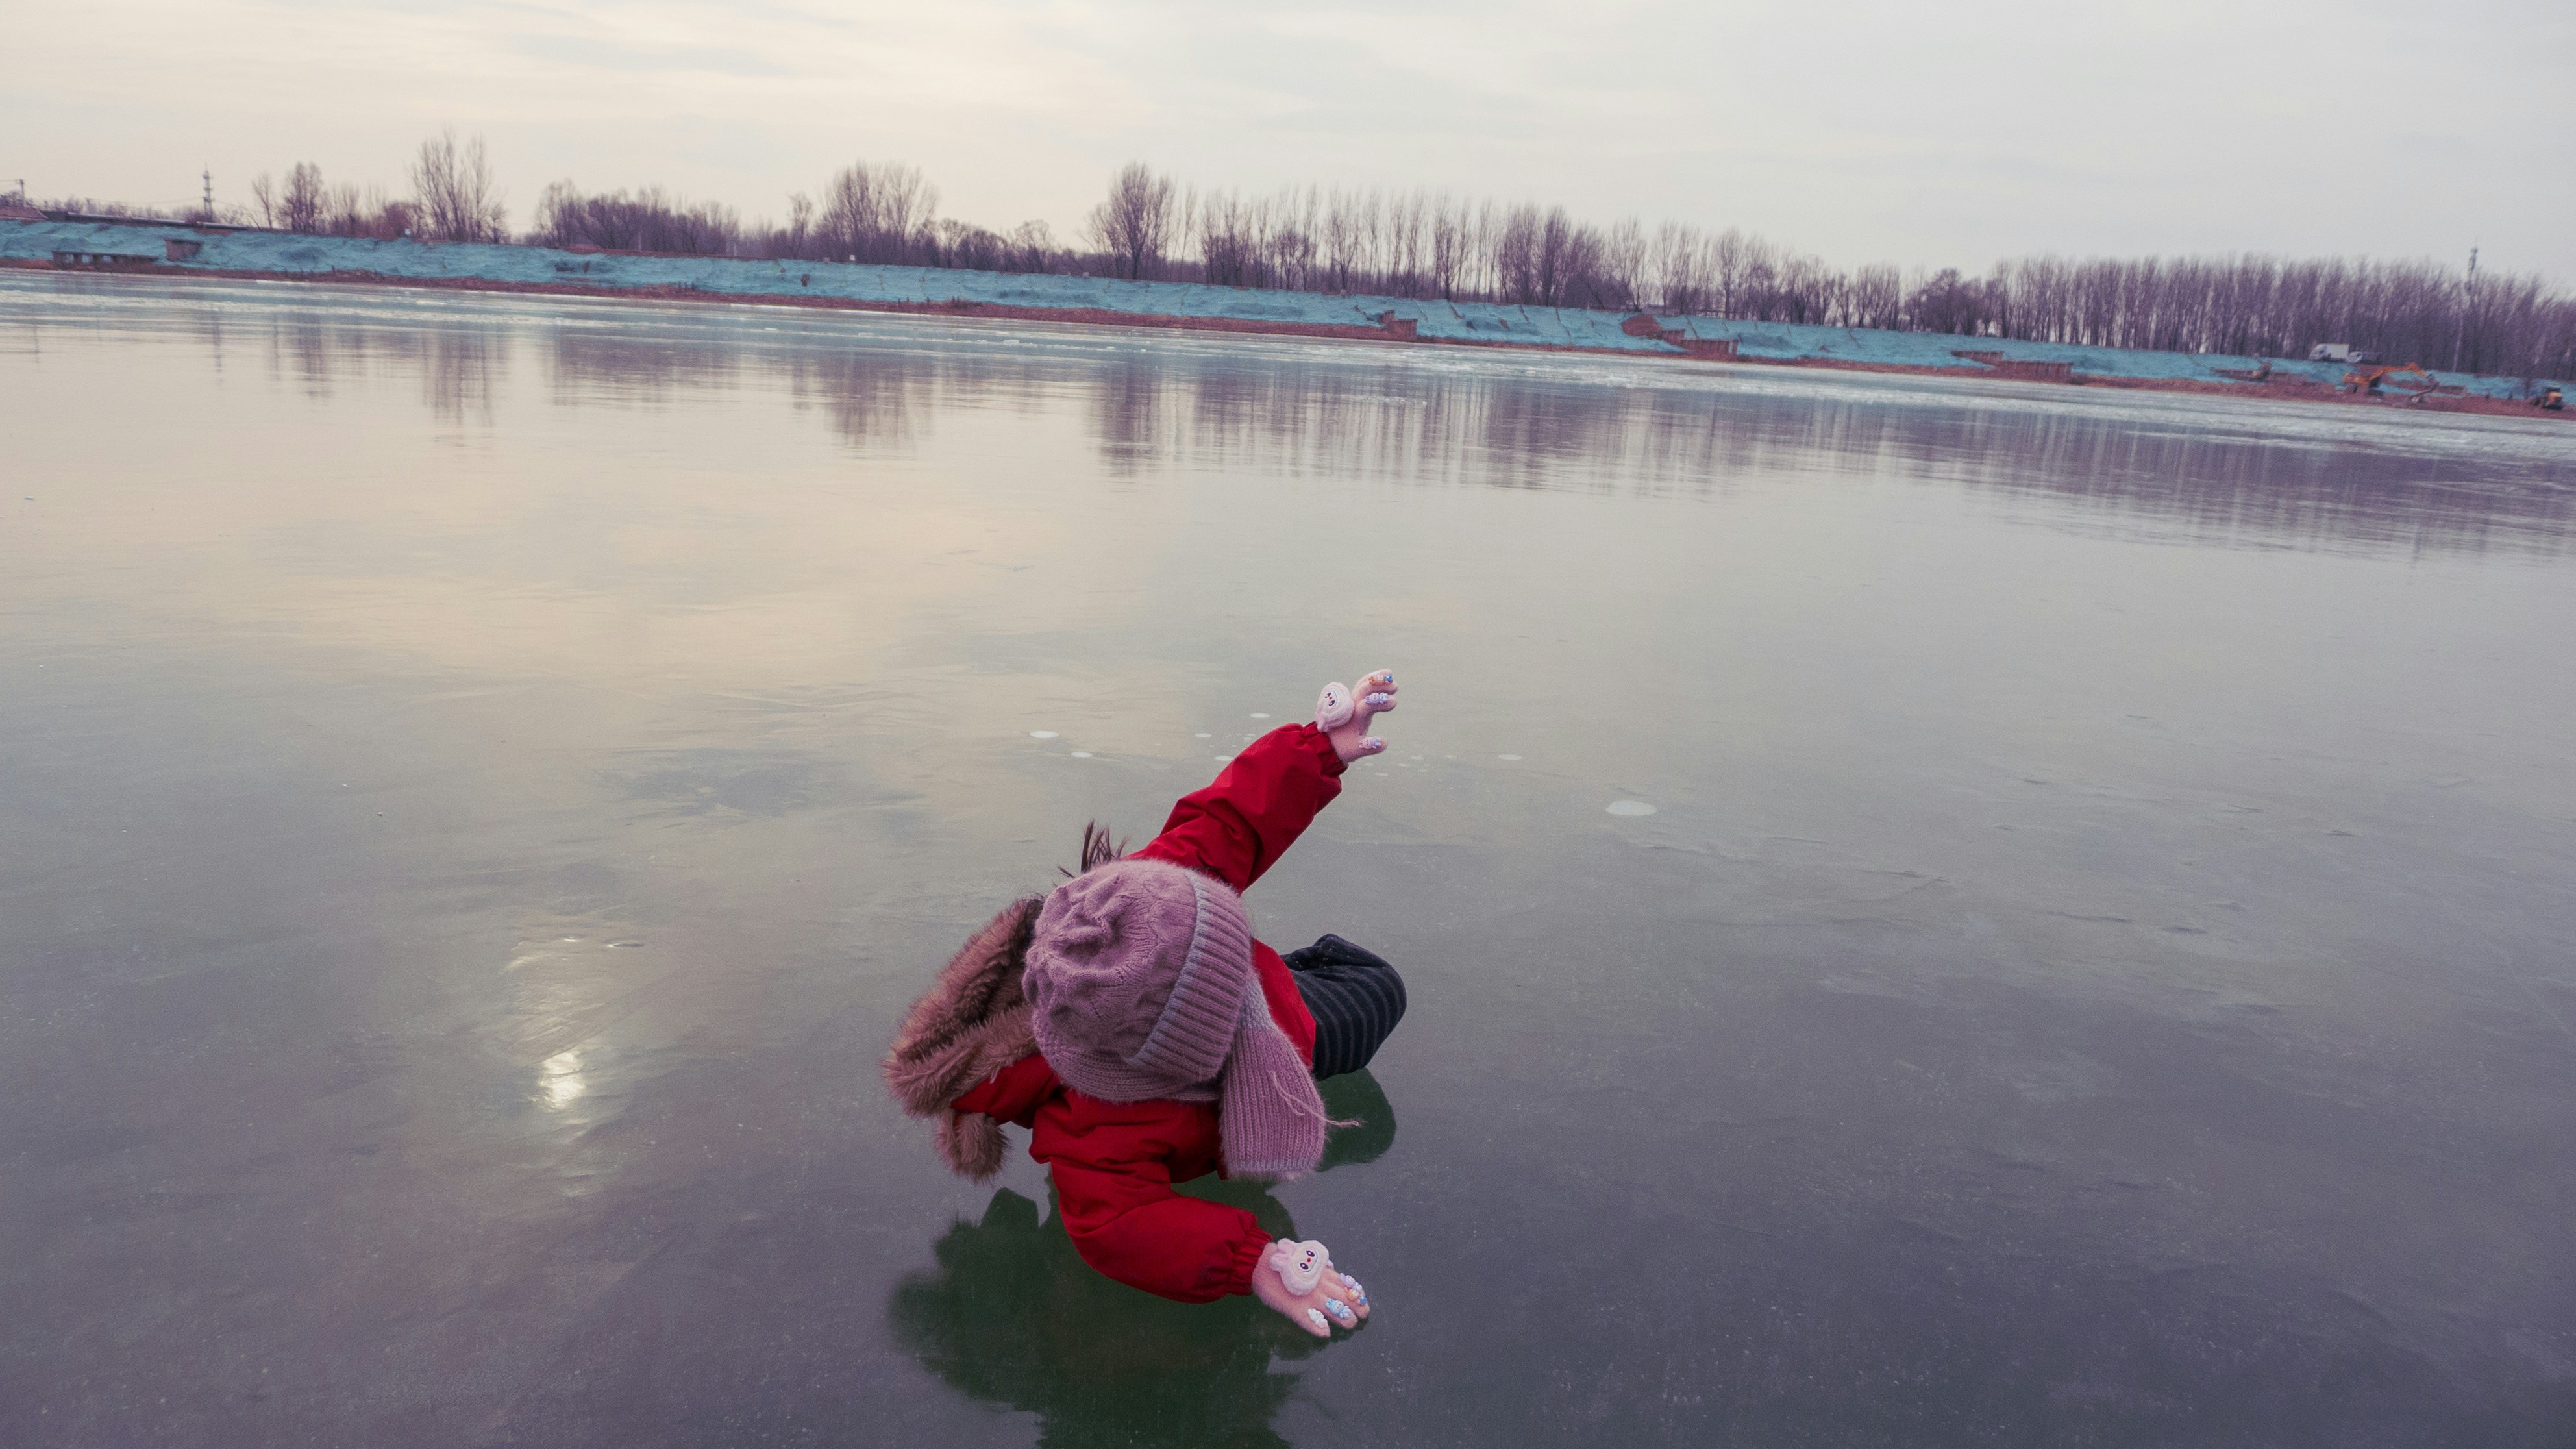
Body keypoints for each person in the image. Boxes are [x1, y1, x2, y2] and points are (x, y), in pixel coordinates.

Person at [886, 671, 1409, 1339]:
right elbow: (1120, 1226)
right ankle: (1271, 977)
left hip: (1257, 989)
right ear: (1177, 1049)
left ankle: (1260, 969)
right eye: (1220, 973)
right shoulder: (1099, 1126)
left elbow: (1223, 824)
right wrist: (1251, 1260)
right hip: (1295, 1035)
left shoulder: (1143, 906)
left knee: (1272, 960)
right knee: (1378, 985)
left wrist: (1317, 749)